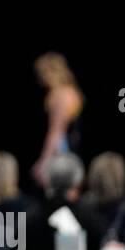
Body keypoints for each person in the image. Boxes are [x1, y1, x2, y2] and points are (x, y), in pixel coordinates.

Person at [32, 52, 83, 182]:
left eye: (41, 73)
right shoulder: (72, 91)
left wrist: (44, 160)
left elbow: (57, 130)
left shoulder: (59, 95)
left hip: (61, 151)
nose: (39, 78)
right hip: (72, 148)